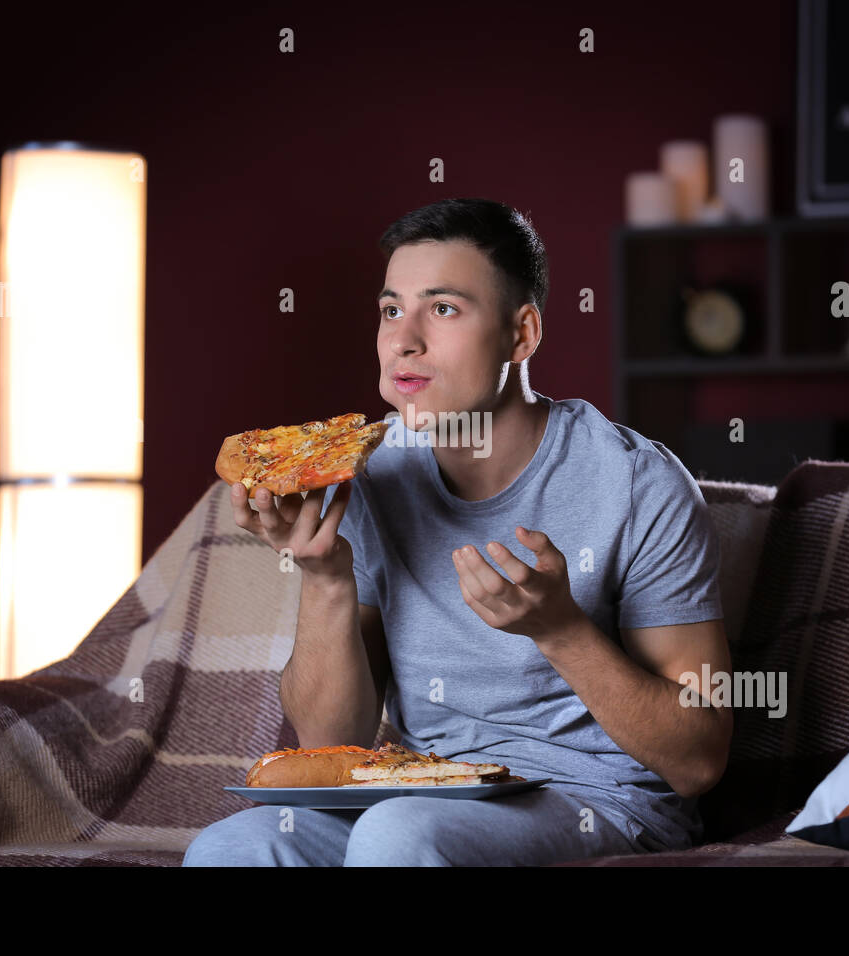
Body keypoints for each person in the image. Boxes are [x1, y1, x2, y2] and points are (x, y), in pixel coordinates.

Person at [183, 198, 732, 866]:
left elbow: (698, 759)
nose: (403, 339)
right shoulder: (370, 474)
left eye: (442, 308)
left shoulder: (636, 483)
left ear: (521, 333)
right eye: (391, 309)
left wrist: (561, 630)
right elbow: (334, 740)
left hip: (601, 800)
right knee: (231, 848)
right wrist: (326, 578)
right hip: (427, 790)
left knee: (398, 837)